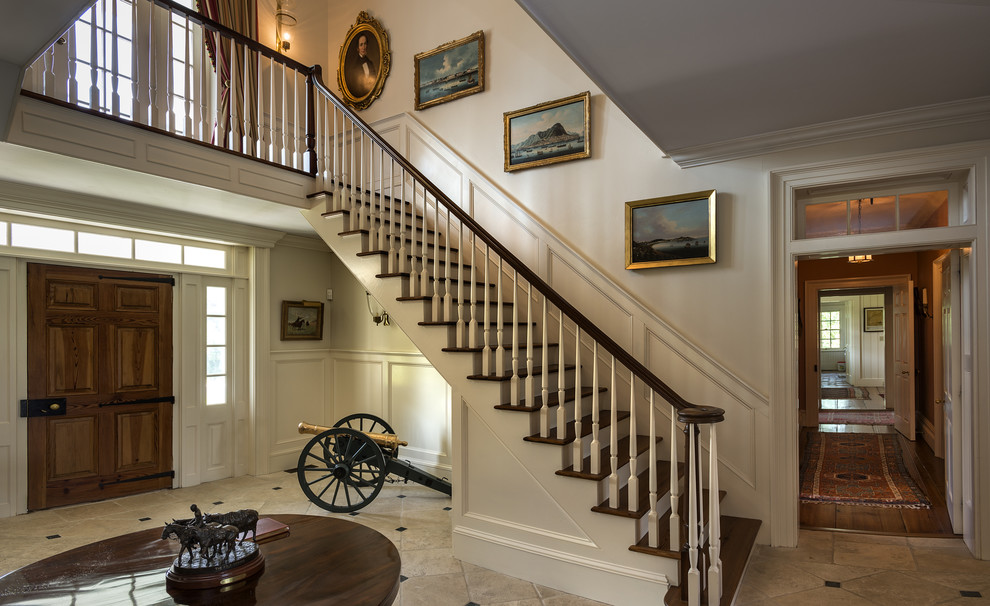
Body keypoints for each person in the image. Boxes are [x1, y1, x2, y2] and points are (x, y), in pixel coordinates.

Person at [348, 34, 376, 98]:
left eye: (365, 44)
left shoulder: (370, 63)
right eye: (361, 45)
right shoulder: (354, 65)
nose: (364, 47)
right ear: (358, 48)